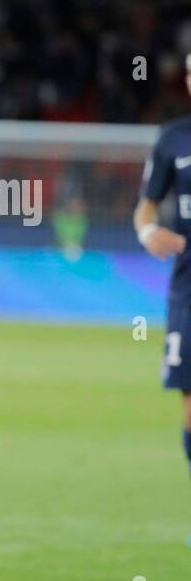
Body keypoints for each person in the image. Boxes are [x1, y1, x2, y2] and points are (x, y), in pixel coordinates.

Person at [133, 52, 191, 476]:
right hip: (189, 288)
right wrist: (148, 232)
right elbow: (145, 208)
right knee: (189, 400)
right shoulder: (173, 139)